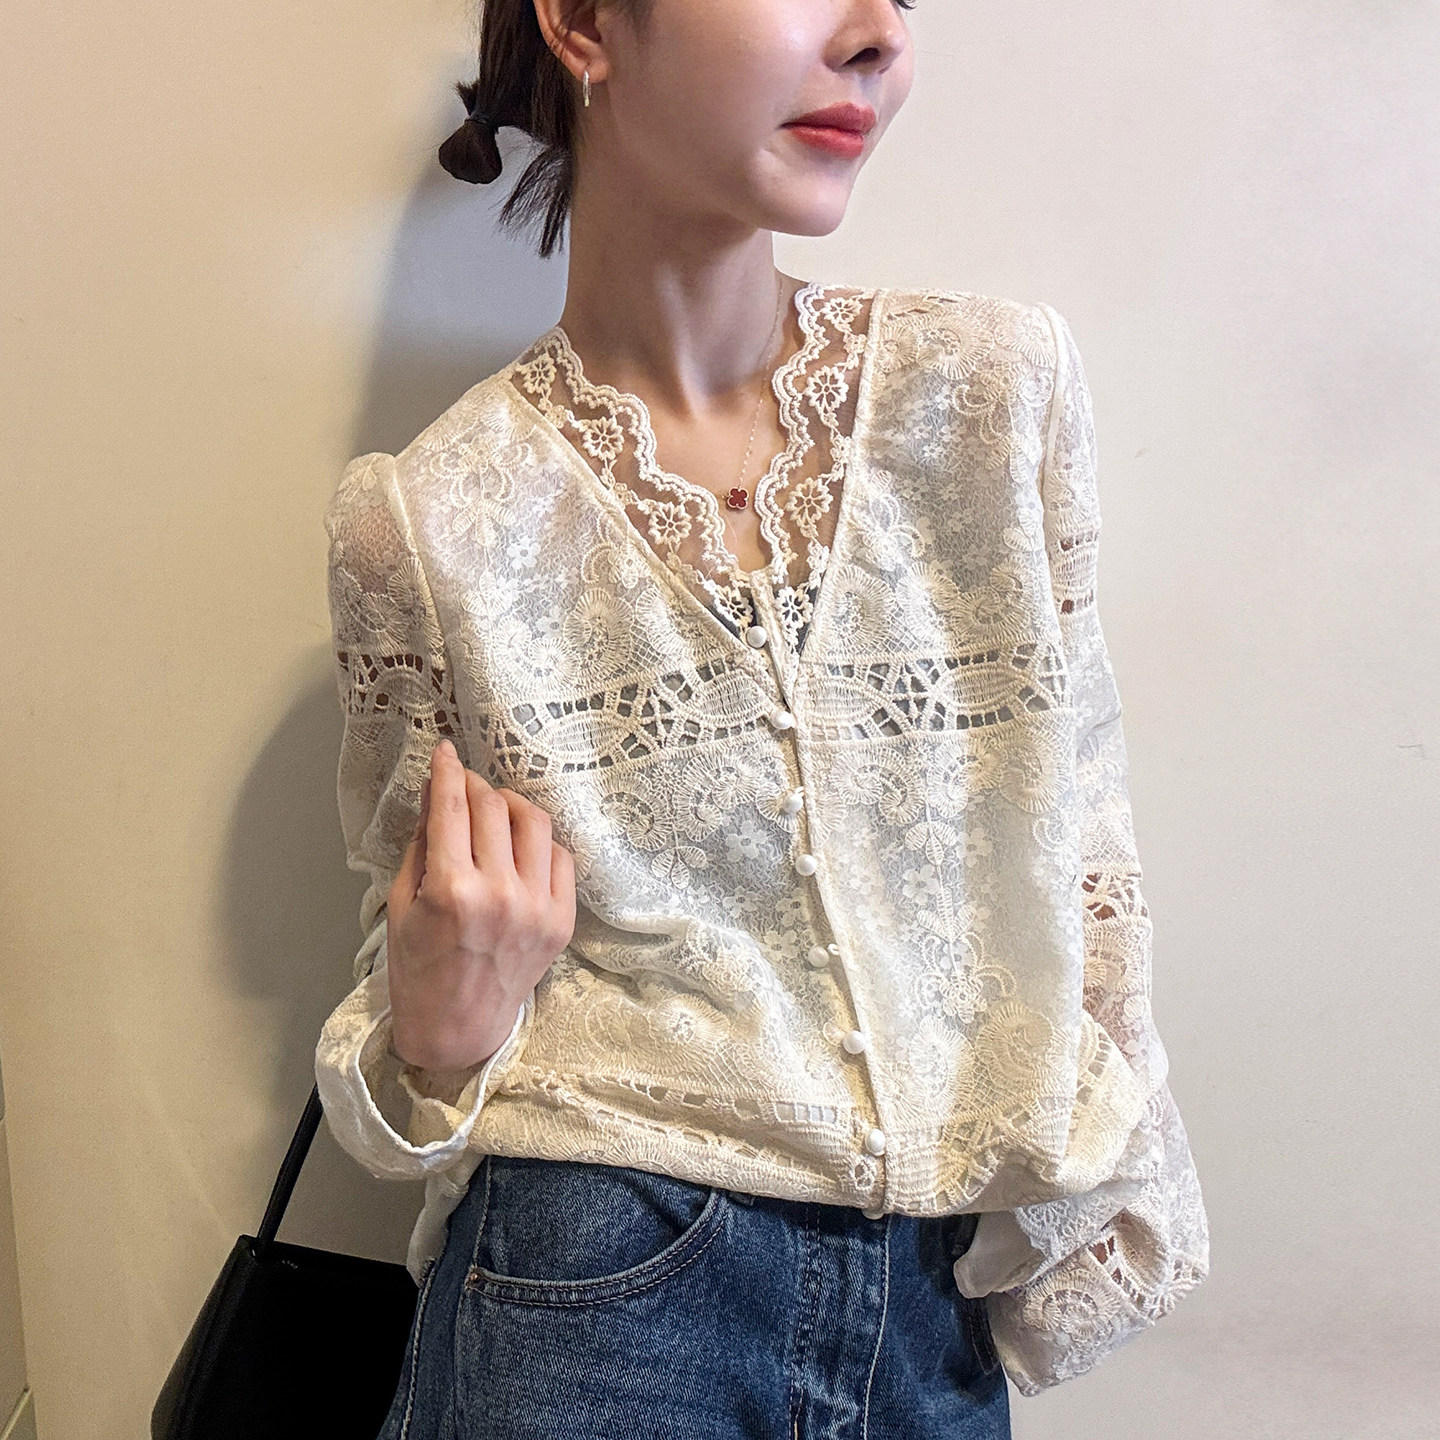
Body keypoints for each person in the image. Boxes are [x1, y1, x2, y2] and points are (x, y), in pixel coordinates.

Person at [313, 1, 1211, 1435]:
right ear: (585, 18)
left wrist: (1091, 1189)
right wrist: (435, 1023)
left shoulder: (992, 397)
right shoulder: (429, 520)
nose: (876, 38)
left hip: (929, 1314)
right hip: (591, 1283)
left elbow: (1085, 842)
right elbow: (410, 976)